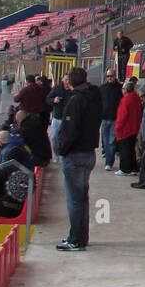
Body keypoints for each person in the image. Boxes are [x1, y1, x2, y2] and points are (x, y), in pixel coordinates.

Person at [56, 67, 101, 252]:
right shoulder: (94, 98)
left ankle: (75, 239)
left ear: (71, 82)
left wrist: (62, 149)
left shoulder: (76, 100)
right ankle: (80, 236)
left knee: (75, 199)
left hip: (75, 154)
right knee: (81, 198)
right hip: (88, 152)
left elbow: (70, 130)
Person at [113, 78, 142, 177]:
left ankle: (125, 169)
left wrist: (117, 127)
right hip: (134, 128)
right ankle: (133, 168)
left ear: (125, 89)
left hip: (125, 129)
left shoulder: (125, 100)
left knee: (124, 150)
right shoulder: (136, 98)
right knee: (131, 150)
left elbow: (122, 116)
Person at [99, 68, 121, 172]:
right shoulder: (102, 88)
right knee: (105, 141)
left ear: (115, 76)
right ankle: (108, 159)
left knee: (111, 142)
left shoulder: (119, 89)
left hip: (114, 119)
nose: (109, 78)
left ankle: (109, 162)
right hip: (104, 119)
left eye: (111, 76)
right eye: (108, 76)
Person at [46, 74, 70, 154]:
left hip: (68, 119)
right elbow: (47, 99)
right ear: (62, 80)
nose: (67, 82)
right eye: (66, 79)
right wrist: (53, 100)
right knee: (54, 137)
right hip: (57, 118)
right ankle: (56, 154)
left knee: (66, 138)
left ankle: (64, 153)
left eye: (69, 80)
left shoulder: (73, 90)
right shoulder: (57, 89)